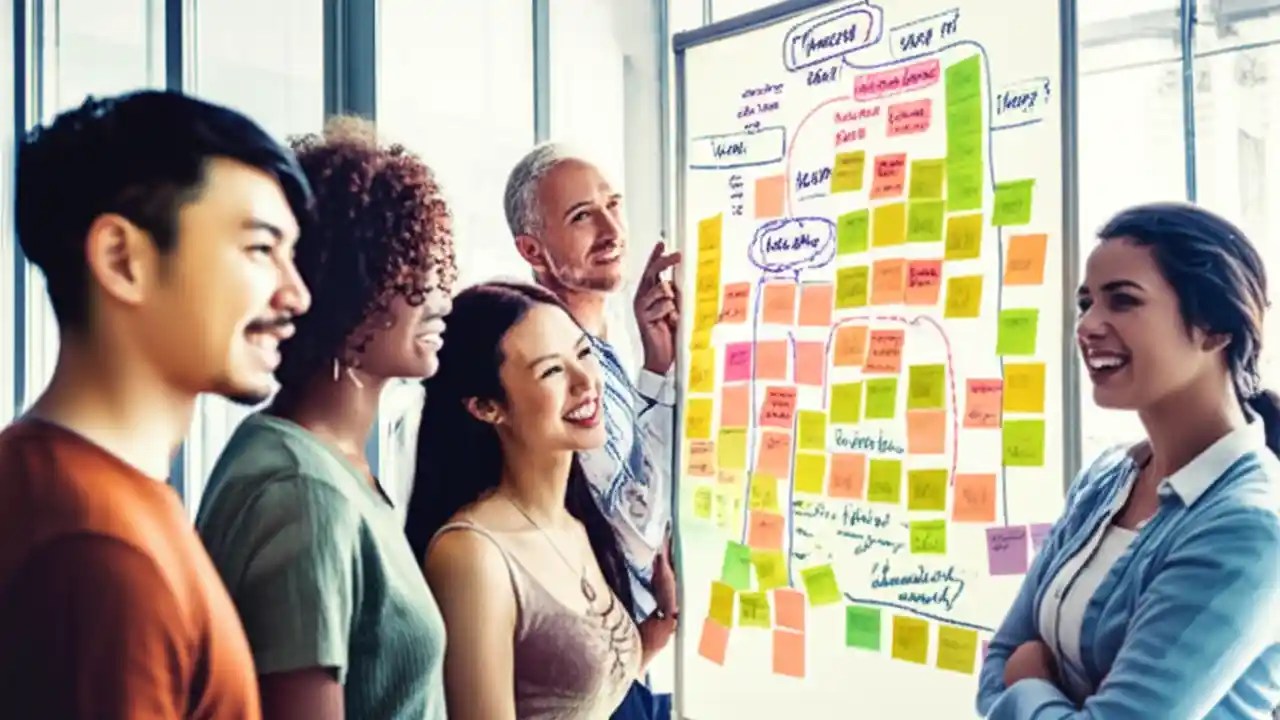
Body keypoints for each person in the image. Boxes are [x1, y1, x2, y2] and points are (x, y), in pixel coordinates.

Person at [0, 90, 313, 718]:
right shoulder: (97, 551)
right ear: (123, 259)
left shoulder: (70, 492)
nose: (295, 294)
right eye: (259, 249)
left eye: (291, 255)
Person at [195, 116, 455, 720]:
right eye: (408, 269)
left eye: (435, 267)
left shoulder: (332, 467)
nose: (438, 293)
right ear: (345, 284)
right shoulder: (303, 489)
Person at [977, 202, 1280, 718]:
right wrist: (1034, 685)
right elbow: (995, 667)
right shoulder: (1105, 479)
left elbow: (1013, 676)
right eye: (1085, 303)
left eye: (1122, 301)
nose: (1088, 325)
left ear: (1213, 328)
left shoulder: (1249, 527)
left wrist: (1029, 684)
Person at [406, 281, 675, 720]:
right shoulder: (472, 554)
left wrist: (659, 627)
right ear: (486, 407)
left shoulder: (576, 521)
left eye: (584, 353)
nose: (586, 382)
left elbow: (570, 696)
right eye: (552, 371)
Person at [502, 143, 680, 718]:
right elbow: (640, 533)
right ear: (532, 249)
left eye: (613, 204)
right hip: (593, 668)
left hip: (628, 659)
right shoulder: (552, 370)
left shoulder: (605, 351)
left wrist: (654, 367)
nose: (610, 229)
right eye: (581, 216)